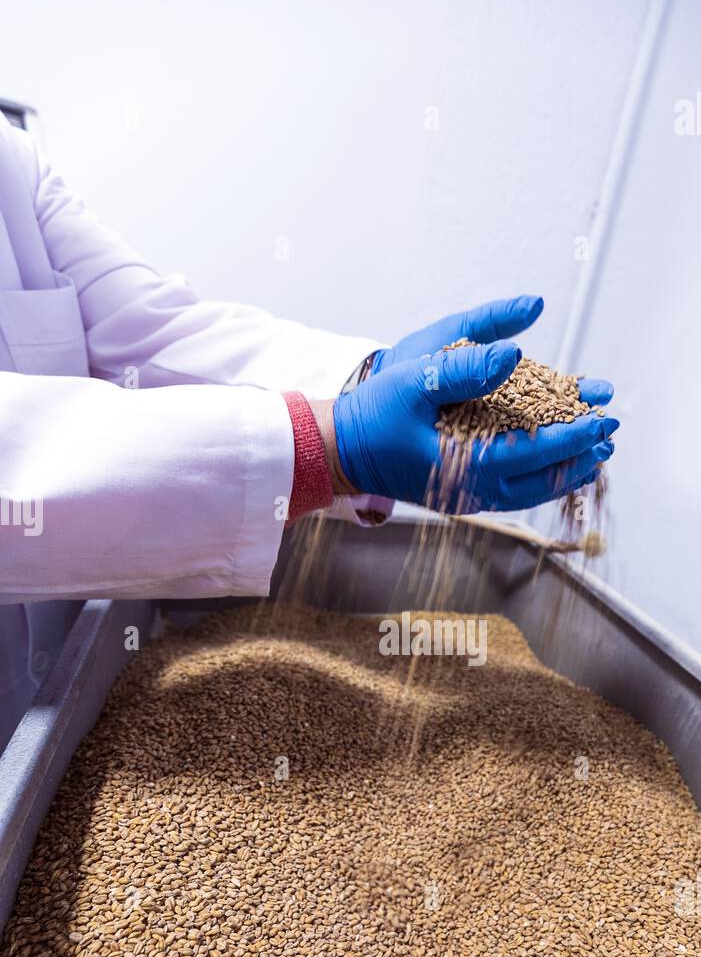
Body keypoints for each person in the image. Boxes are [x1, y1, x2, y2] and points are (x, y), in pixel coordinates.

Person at [0, 112, 617, 753]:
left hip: (63, 711)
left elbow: (149, 329)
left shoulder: (12, 160)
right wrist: (326, 445)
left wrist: (363, 381)